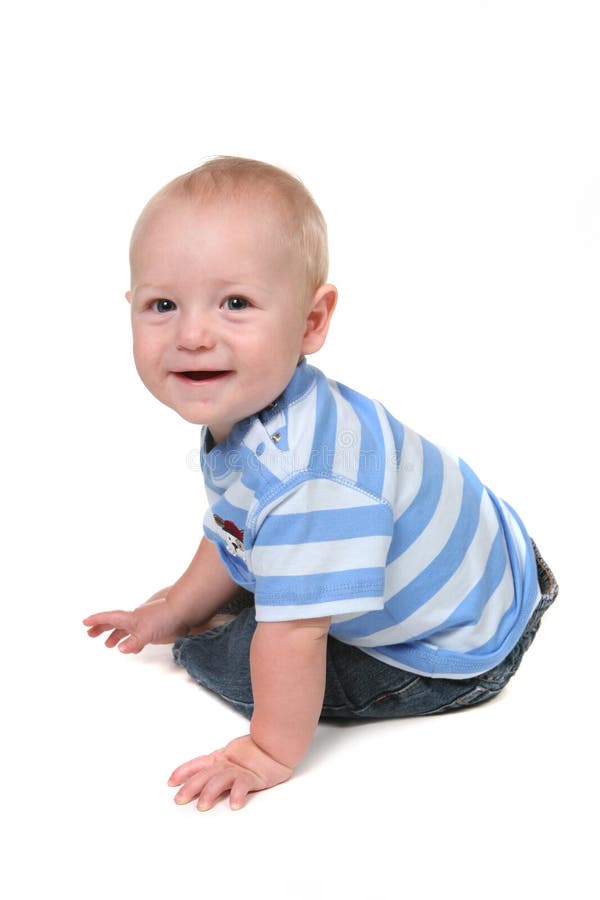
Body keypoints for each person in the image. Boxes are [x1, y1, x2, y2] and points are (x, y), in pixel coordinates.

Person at [83, 156, 558, 812]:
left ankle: (282, 645)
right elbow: (233, 526)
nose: (192, 335)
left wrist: (267, 750)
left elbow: (295, 637)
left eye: (235, 303)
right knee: (247, 592)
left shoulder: (307, 477)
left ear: (311, 322)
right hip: (496, 565)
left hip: (457, 642)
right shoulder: (263, 415)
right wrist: (170, 606)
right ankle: (289, 585)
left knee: (225, 654)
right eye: (162, 304)